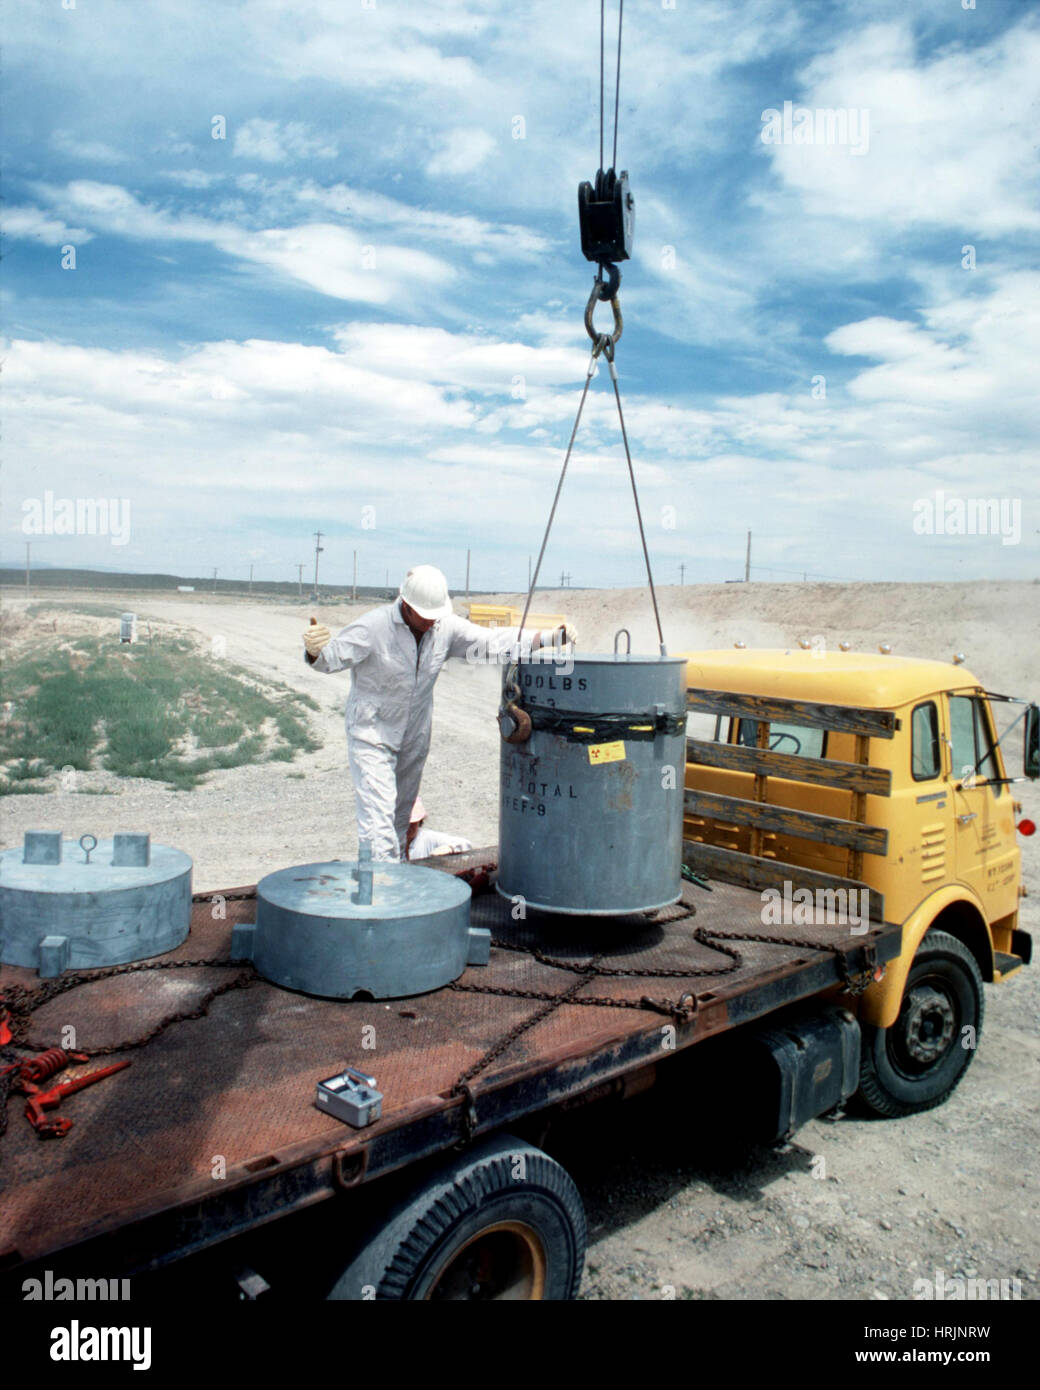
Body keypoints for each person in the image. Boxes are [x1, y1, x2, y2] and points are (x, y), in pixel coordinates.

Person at [303, 564, 575, 862]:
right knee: (377, 822)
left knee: (399, 818)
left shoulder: (444, 626)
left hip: (414, 733)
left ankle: (395, 881)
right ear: (406, 605)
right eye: (426, 616)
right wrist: (315, 650)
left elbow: (492, 642)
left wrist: (548, 638)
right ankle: (379, 895)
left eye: (436, 617)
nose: (432, 623)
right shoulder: (373, 627)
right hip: (372, 733)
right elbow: (330, 659)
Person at [405, 797, 473, 860]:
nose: (409, 827)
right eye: (405, 823)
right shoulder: (395, 843)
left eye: (413, 823)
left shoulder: (426, 837)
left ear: (420, 821)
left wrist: (450, 848)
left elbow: (465, 843)